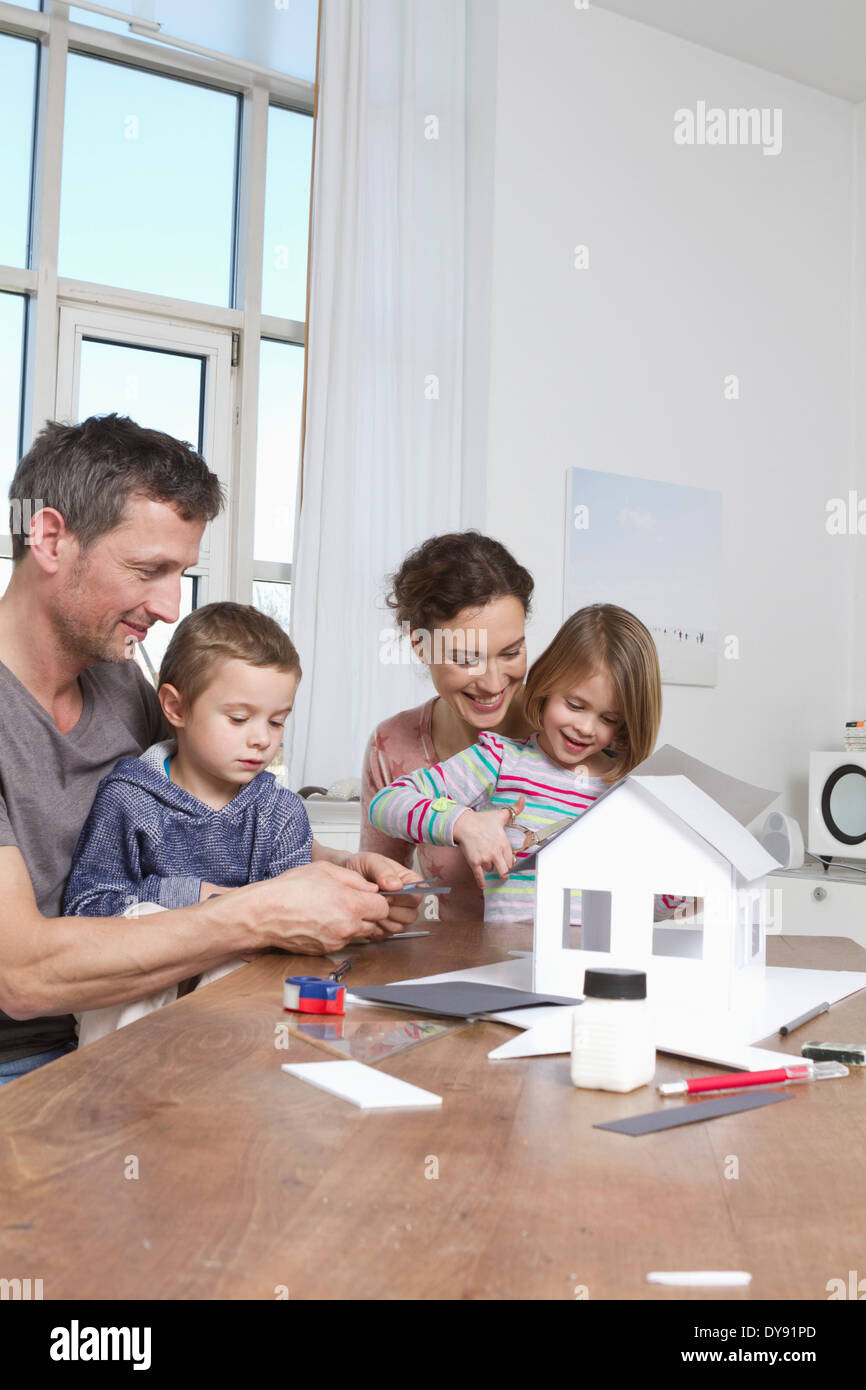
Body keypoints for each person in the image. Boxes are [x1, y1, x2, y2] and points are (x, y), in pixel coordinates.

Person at [0, 415, 419, 1085]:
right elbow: (19, 975)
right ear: (50, 537)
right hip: (25, 1061)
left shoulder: (117, 679)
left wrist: (336, 871)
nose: (171, 606)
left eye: (182, 574)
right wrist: (265, 910)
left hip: (150, 1021)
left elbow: (193, 809)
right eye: (149, 569)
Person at [370, 604, 683, 923]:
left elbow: (648, 907)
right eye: (575, 705)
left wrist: (679, 886)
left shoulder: (626, 790)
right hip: (507, 961)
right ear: (547, 685)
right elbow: (386, 805)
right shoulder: (499, 759)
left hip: (599, 964)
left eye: (609, 718)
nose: (586, 728)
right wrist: (463, 823)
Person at [361, 531, 535, 922]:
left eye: (511, 653)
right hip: (452, 969)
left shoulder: (566, 734)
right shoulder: (393, 746)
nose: (492, 683)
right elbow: (380, 887)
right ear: (421, 646)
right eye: (464, 658)